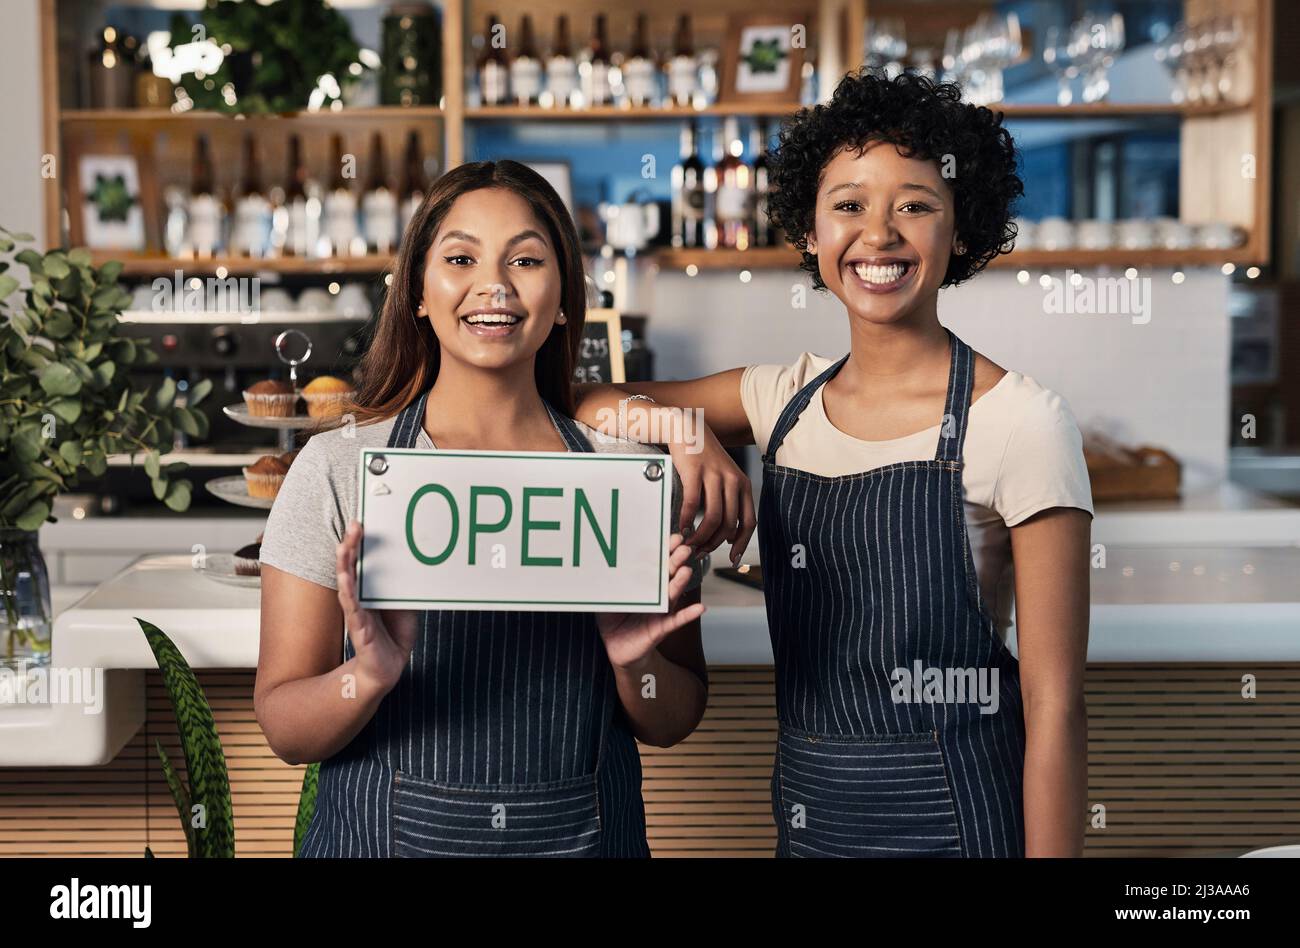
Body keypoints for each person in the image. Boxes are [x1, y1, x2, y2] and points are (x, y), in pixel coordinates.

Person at [575, 72, 1094, 857]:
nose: (878, 234)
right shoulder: (777, 400)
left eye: (915, 205)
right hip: (812, 819)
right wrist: (681, 432)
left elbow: (1054, 706)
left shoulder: (1021, 420)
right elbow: (583, 402)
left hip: (962, 822)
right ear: (811, 233)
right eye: (848, 205)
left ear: (961, 230)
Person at [255, 160, 709, 858]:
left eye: (526, 259)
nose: (493, 285)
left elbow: (674, 719)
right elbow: (287, 729)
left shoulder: (633, 478)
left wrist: (632, 663)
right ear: (417, 293)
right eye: (461, 257)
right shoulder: (335, 469)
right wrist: (368, 675)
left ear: (564, 297)